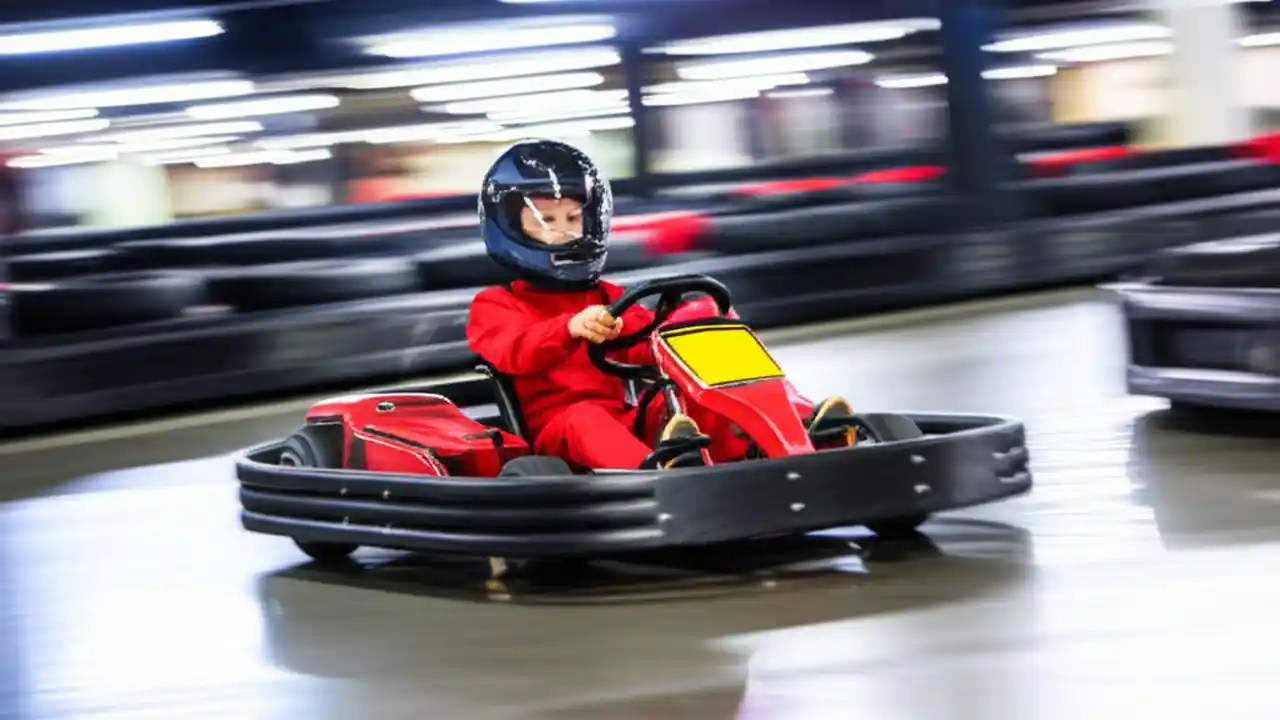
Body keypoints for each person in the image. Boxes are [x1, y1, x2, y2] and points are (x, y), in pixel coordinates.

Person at [465, 139, 855, 471]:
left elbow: (643, 344)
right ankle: (658, 474)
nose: (566, 230)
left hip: (627, 419)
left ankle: (796, 430)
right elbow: (514, 352)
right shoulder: (496, 304)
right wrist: (569, 328)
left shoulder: (608, 295)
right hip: (560, 430)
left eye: (573, 217)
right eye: (547, 219)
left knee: (695, 375)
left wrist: (693, 324)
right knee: (585, 418)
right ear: (512, 228)